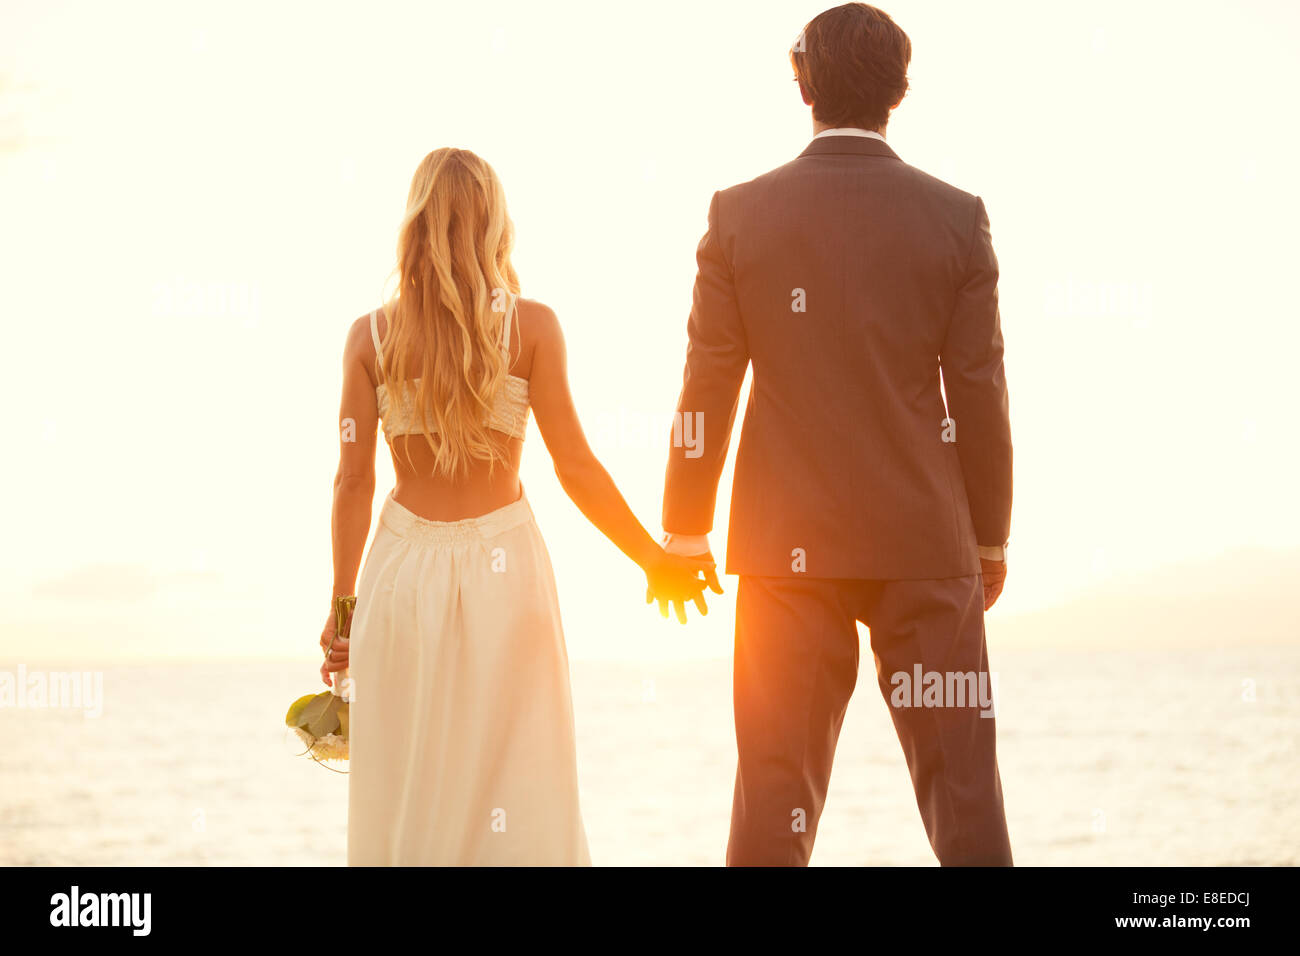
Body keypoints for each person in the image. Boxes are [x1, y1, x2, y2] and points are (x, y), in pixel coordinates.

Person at [655, 3, 1015, 865]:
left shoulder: (740, 215)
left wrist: (683, 528)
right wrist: (989, 536)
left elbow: (707, 385)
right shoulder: (955, 217)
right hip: (927, 545)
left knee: (773, 805)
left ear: (803, 82)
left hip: (786, 555)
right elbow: (981, 395)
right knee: (966, 807)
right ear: (898, 90)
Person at [321, 147, 713, 865]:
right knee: (520, 780)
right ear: (495, 224)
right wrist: (654, 560)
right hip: (507, 570)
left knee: (412, 779)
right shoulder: (532, 327)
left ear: (414, 225)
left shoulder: (368, 338)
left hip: (400, 576)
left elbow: (353, 483)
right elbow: (577, 467)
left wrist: (344, 610)